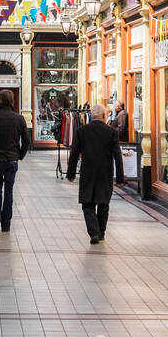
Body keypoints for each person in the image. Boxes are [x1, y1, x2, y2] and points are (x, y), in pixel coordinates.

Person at [66, 103, 124, 244]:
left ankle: (94, 232)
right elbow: (117, 156)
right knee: (103, 203)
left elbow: (74, 154)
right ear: (104, 116)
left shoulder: (82, 131)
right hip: (105, 173)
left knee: (88, 204)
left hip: (88, 172)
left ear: (91, 115)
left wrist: (71, 173)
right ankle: (101, 232)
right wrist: (120, 177)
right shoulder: (111, 132)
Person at [0, 90, 30, 233]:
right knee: (9, 190)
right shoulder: (19, 118)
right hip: (12, 159)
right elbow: (27, 141)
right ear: (12, 101)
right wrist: (19, 155)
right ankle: (6, 223)